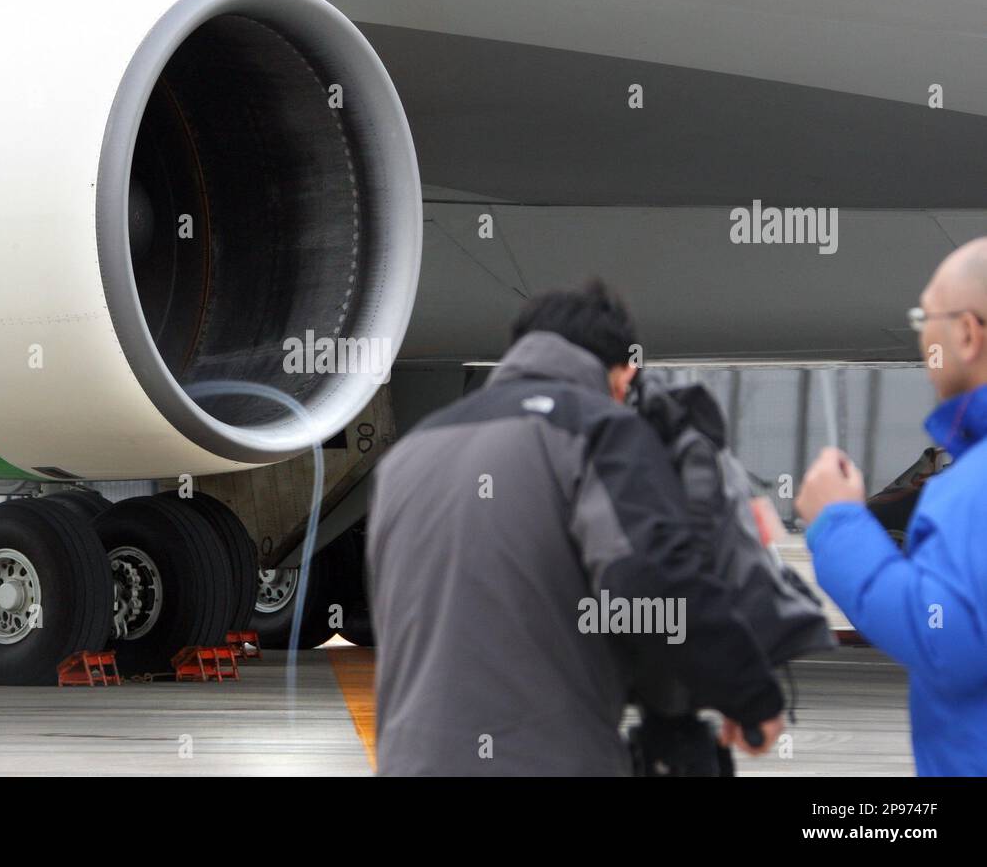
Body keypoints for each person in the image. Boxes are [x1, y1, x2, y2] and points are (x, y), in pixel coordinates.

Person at [366, 280, 784, 776]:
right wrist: (747, 691)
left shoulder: (410, 453)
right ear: (623, 373)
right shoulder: (598, 432)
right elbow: (648, 585)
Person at [797, 238, 987, 776]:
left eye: (924, 316)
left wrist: (837, 525)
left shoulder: (971, 488)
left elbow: (942, 640)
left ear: (968, 333)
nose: (921, 333)